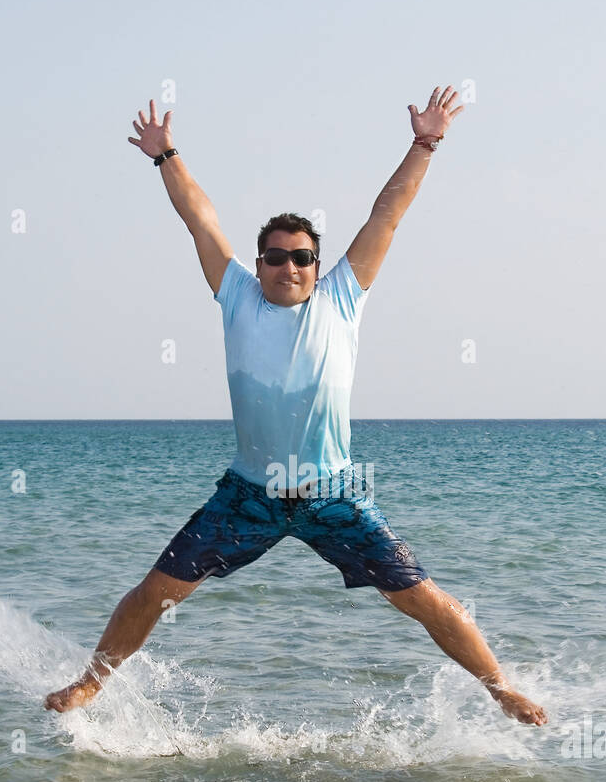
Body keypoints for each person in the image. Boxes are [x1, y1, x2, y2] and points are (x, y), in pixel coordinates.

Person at [45, 89, 547, 726]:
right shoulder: (237, 297)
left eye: (302, 256)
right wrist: (165, 154)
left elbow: (387, 215)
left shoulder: (342, 298)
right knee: (158, 590)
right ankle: (90, 684)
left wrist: (425, 142)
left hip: (332, 492)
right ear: (259, 265)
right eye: (276, 256)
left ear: (317, 264)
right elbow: (200, 220)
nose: (289, 266)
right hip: (248, 494)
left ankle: (500, 687)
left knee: (419, 597)